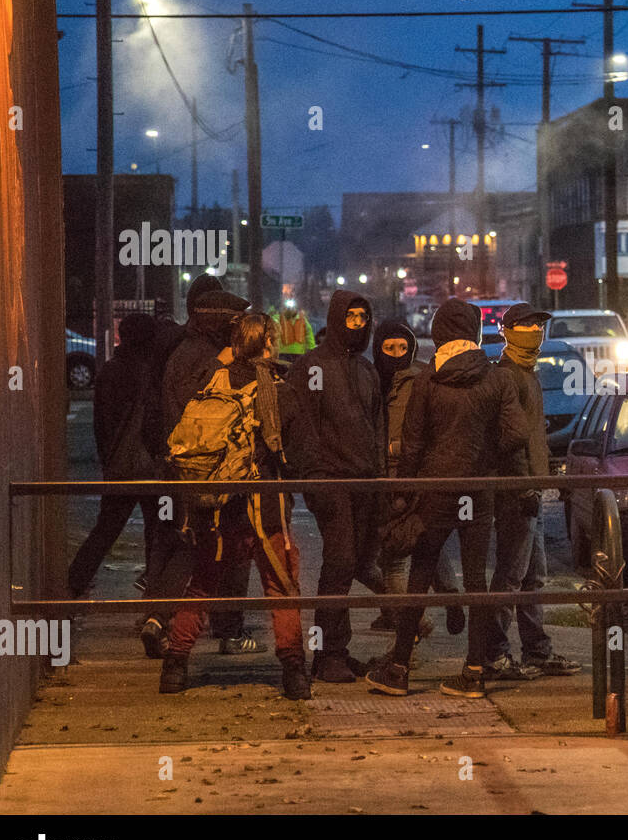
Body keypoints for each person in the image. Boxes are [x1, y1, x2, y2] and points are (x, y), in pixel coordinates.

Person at [365, 298, 529, 699]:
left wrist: (404, 494)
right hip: (479, 490)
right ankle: (473, 671)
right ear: (474, 332)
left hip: (435, 489)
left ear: (439, 333)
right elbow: (516, 436)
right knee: (476, 580)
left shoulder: (428, 380)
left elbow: (414, 444)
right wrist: (484, 455)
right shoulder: (497, 380)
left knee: (420, 572)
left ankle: (399, 667)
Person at [159, 313, 310, 699]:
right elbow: (297, 453)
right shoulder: (277, 390)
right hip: (265, 507)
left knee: (203, 585)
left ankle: (175, 666)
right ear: (269, 344)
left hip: (215, 506)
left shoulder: (213, 381)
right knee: (281, 585)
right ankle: (294, 672)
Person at [141, 288, 262, 658]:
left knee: (190, 546)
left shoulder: (180, 354)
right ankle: (229, 630)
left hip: (182, 465)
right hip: (215, 468)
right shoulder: (212, 361)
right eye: (234, 323)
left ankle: (158, 618)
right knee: (235, 548)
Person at [286, 289, 386, 683]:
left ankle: (337, 652)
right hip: (331, 481)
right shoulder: (312, 367)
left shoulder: (365, 370)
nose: (358, 324)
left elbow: (375, 427)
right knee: (339, 565)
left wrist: (379, 478)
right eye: (352, 317)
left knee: (348, 566)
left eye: (364, 317)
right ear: (336, 317)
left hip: (363, 481)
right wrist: (315, 477)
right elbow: (302, 426)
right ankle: (327, 655)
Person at [486, 302, 580, 679]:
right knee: (511, 574)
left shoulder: (528, 373)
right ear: (507, 332)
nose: (533, 331)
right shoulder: (508, 377)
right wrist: (525, 484)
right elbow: (510, 441)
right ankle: (494, 653)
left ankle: (537, 650)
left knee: (531, 577)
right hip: (518, 492)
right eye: (524, 325)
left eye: (538, 325)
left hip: (533, 490)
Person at [372, 318, 463, 638]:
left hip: (406, 474)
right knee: (425, 542)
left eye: (403, 347)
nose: (397, 354)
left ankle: (410, 625)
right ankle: (449, 598)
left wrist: (396, 448)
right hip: (393, 475)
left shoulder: (420, 379)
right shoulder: (376, 380)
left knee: (394, 555)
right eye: (389, 348)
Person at [67, 313, 162, 598]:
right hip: (149, 465)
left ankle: (74, 582)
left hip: (119, 463)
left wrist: (108, 459)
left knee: (106, 529)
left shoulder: (110, 370)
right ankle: (154, 592)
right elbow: (157, 422)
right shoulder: (153, 371)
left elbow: (101, 424)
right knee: (156, 530)